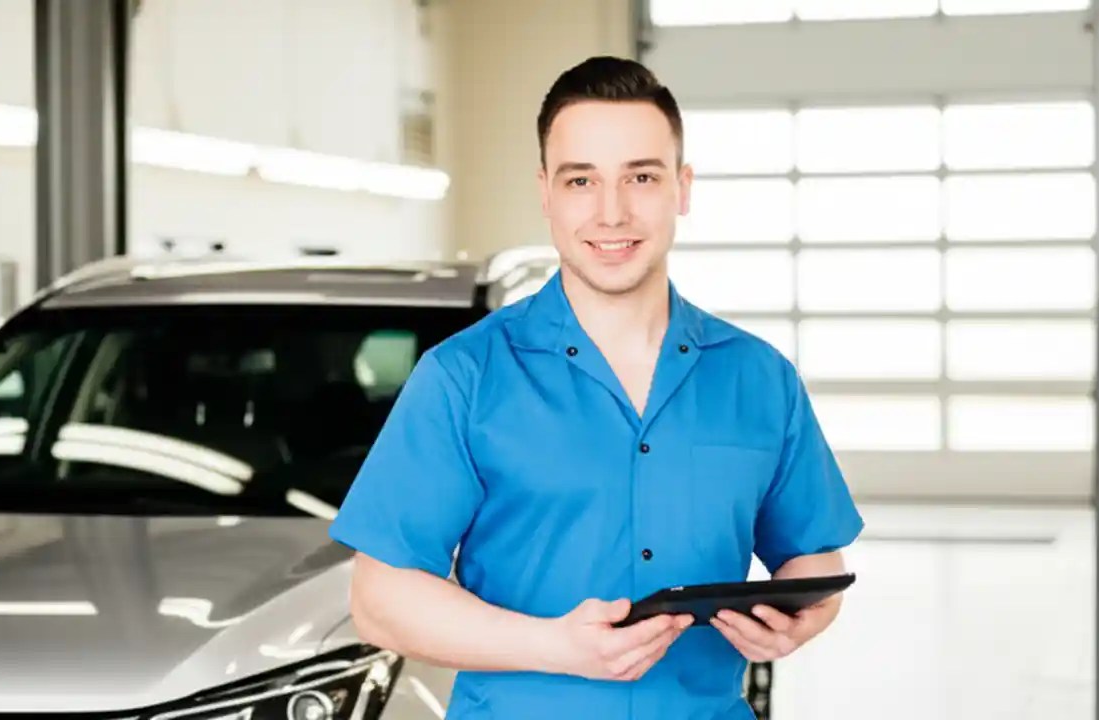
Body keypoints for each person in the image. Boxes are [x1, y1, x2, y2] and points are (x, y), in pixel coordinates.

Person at [328, 56, 864, 719]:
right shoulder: (464, 377)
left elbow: (813, 556)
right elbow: (379, 601)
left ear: (682, 188)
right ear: (546, 191)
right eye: (582, 180)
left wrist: (805, 614)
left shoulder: (757, 377)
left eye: (641, 176)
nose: (611, 212)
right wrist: (552, 645)